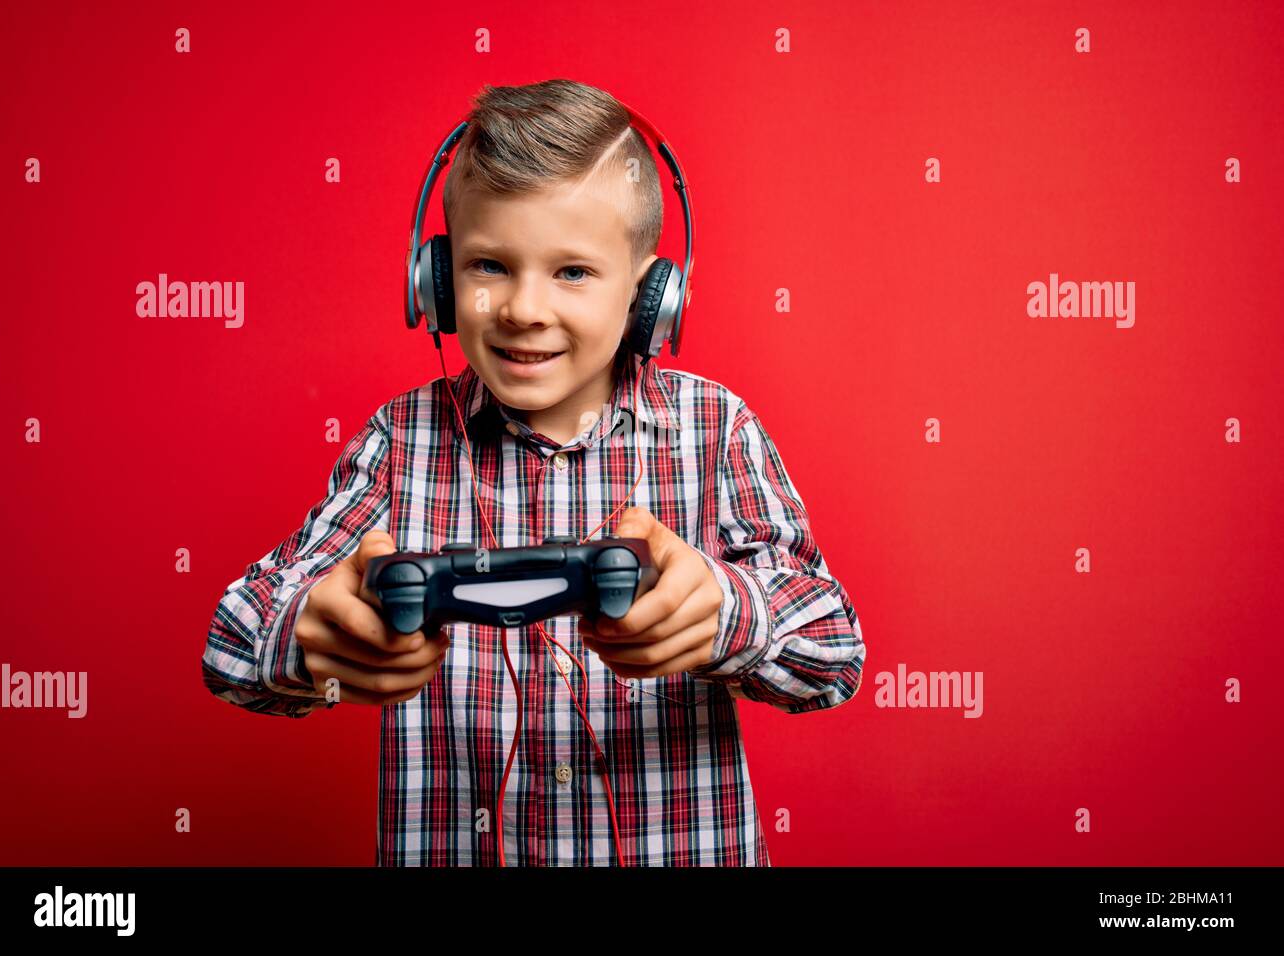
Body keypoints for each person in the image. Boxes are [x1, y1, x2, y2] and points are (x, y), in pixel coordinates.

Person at [202, 78, 867, 866]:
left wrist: (730, 610)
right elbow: (231, 643)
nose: (523, 308)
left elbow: (834, 650)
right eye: (489, 265)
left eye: (573, 272)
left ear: (653, 296)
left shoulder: (716, 430)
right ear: (437, 283)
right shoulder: (399, 442)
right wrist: (309, 631)